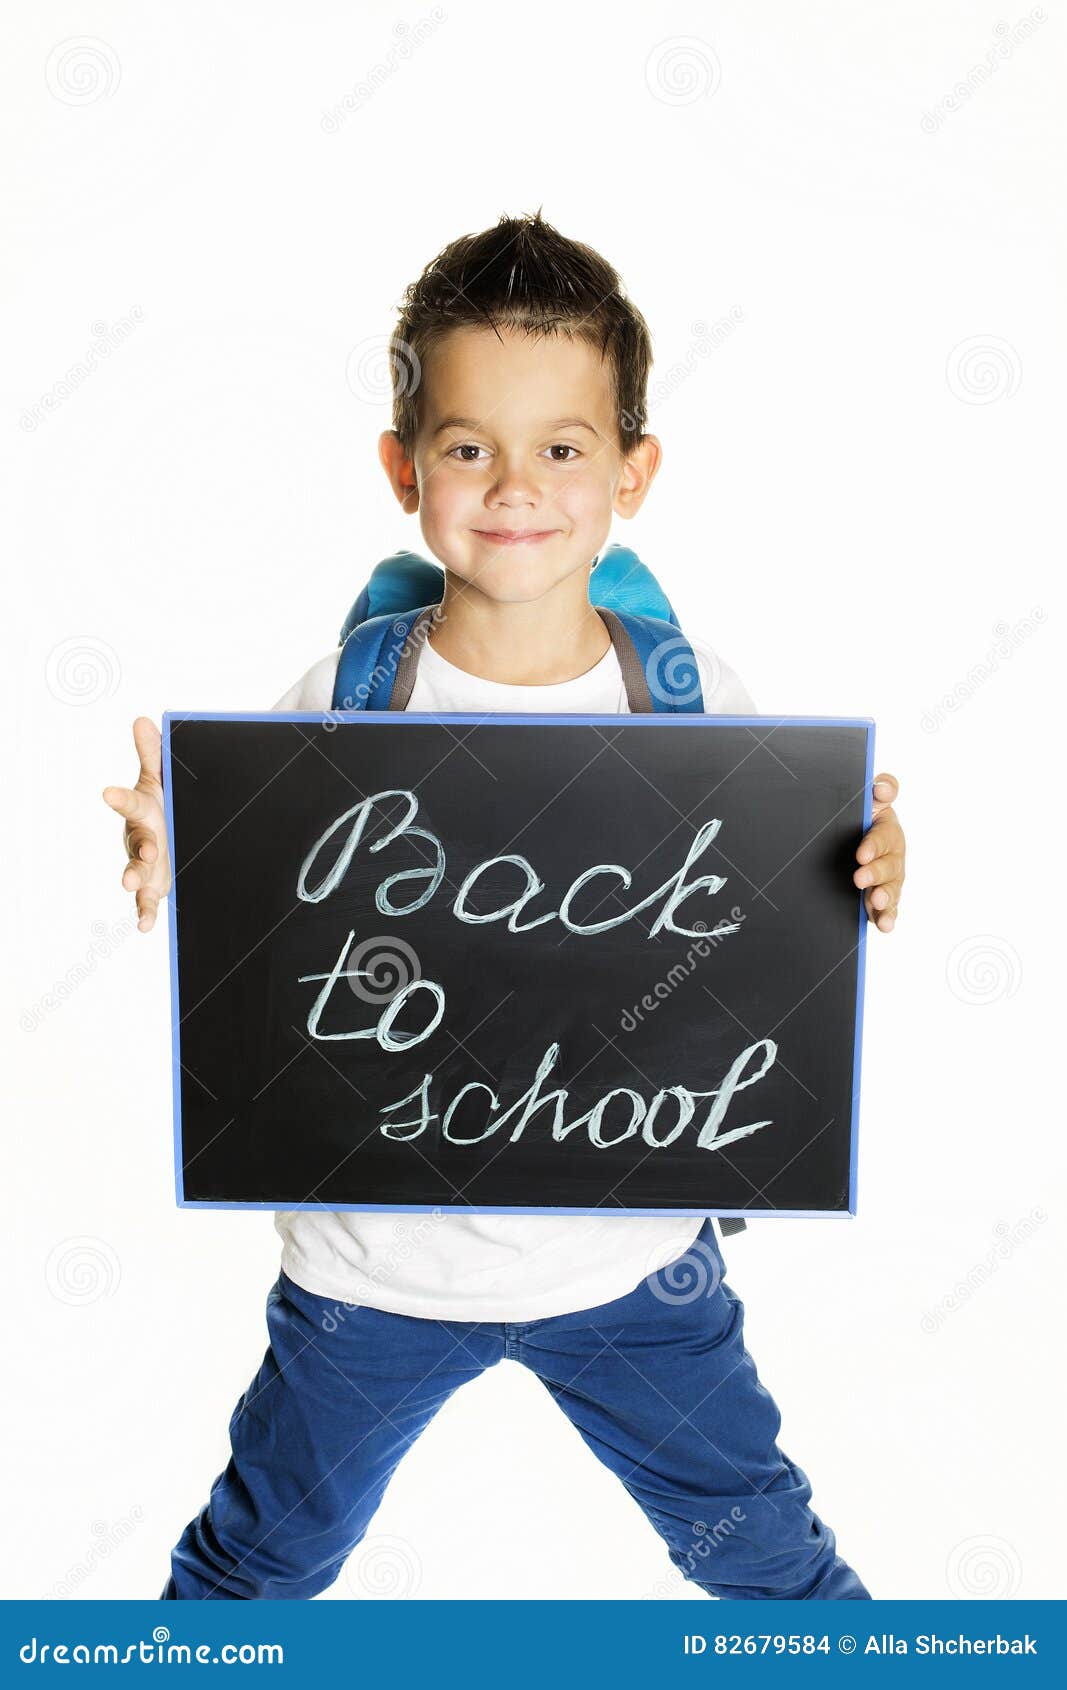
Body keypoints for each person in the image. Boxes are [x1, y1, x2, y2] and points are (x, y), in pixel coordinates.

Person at [103, 211, 905, 1600]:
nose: (514, 485)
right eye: (470, 446)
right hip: (374, 1272)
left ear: (631, 474)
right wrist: (192, 852)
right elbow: (273, 929)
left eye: (562, 448)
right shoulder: (344, 702)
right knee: (258, 1557)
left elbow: (778, 914)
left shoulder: (694, 702)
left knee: (768, 1550)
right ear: (404, 469)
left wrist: (868, 861)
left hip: (634, 1269)